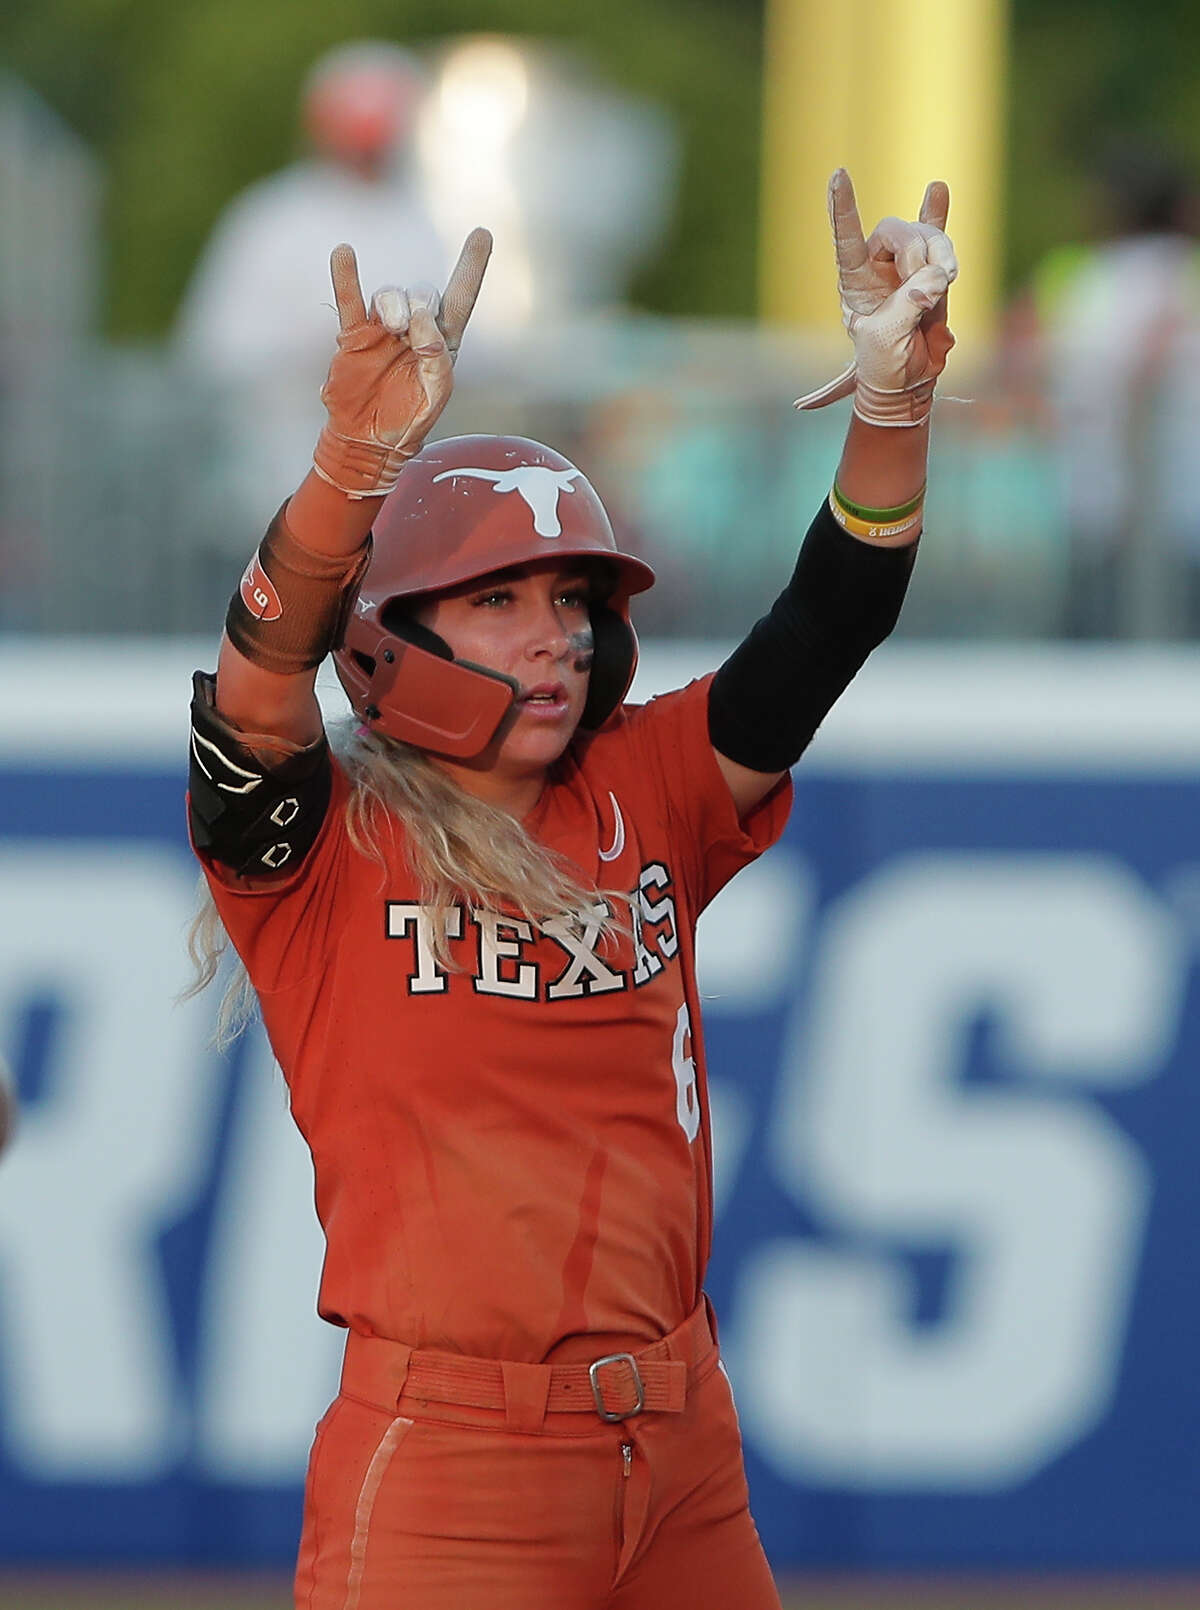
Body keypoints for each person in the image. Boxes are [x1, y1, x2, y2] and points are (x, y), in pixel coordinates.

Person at [186, 170, 956, 1608]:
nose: (553, 636)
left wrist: (893, 400)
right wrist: (352, 467)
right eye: (498, 598)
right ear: (390, 633)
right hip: (452, 1467)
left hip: (683, 1445)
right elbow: (254, 687)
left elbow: (836, 615)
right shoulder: (323, 845)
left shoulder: (646, 784)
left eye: (570, 600)